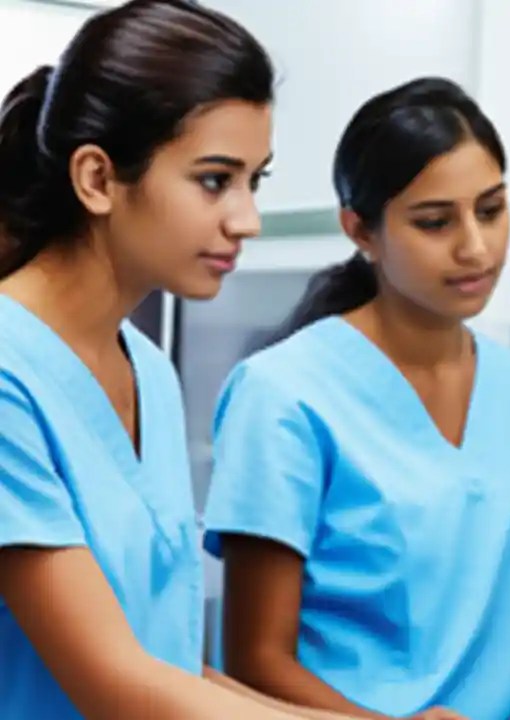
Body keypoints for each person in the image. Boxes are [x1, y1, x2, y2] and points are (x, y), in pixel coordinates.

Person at [0, 1, 364, 719]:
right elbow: (118, 685)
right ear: (97, 179)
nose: (247, 220)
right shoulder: (10, 375)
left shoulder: (148, 368)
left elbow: (167, 666)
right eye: (214, 180)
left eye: (255, 181)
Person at [200, 77, 510, 720]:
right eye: (435, 222)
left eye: (491, 210)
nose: (476, 247)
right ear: (361, 231)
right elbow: (256, 661)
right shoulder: (283, 396)